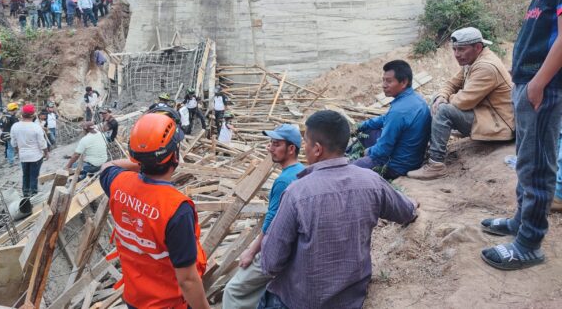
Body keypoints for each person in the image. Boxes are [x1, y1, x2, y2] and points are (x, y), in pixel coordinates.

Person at [259, 110, 417, 308]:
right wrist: (412, 203)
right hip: (350, 300)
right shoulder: (371, 181)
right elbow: (407, 212)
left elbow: (270, 263)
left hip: (301, 301)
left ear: (317, 149)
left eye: (306, 142)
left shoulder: (297, 193)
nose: (304, 148)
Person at [477, 0, 562, 272]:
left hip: (543, 87)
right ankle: (519, 221)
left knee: (538, 164)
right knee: (528, 161)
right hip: (531, 85)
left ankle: (529, 243)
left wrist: (540, 82)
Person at [99, 113, 209, 309]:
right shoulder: (176, 209)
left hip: (134, 297)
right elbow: (188, 280)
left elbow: (107, 166)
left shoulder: (118, 184)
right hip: (166, 304)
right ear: (174, 155)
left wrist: (143, 162)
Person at [408, 27, 514, 180]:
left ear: (477, 47)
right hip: (486, 115)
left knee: (443, 110)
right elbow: (451, 84)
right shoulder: (472, 60)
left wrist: (445, 99)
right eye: (455, 49)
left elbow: (464, 101)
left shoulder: (486, 66)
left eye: (461, 49)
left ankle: (435, 165)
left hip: (500, 124)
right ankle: (427, 152)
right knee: (438, 101)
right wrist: (442, 96)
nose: (457, 54)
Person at [223, 124, 304, 309]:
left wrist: (250, 252)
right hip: (295, 249)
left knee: (233, 291)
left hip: (277, 250)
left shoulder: (284, 180)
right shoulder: (301, 172)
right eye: (270, 143)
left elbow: (271, 224)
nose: (270, 148)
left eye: (276, 144)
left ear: (291, 149)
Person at [352, 60, 431, 179]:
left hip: (396, 167)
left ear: (403, 82)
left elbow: (382, 151)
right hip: (413, 159)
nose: (384, 85)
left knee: (350, 169)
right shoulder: (416, 100)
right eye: (383, 80)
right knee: (366, 132)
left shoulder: (399, 111)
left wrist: (368, 152)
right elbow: (385, 119)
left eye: (389, 81)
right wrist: (361, 126)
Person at [10, 104, 48, 197]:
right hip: (36, 156)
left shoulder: (15, 126)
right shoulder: (36, 127)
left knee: (25, 175)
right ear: (33, 115)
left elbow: (14, 143)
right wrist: (46, 153)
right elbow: (42, 143)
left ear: (22, 114)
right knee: (34, 176)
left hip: (23, 156)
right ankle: (33, 195)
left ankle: (26, 195)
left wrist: (18, 152)